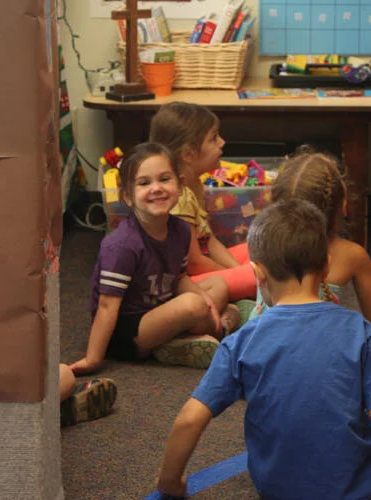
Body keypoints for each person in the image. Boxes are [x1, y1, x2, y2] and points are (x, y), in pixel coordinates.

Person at [157, 199, 371, 500]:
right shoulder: (358, 330)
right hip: (359, 495)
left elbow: (190, 418)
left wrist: (170, 480)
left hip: (276, 493)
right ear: (327, 265)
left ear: (259, 273)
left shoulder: (242, 341)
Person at [61, 143, 241, 386]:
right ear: (127, 196)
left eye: (164, 179)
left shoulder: (180, 230)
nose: (156, 188)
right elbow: (106, 307)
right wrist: (93, 359)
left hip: (161, 305)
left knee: (217, 286)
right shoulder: (122, 245)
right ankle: (209, 331)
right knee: (193, 304)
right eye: (144, 183)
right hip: (130, 331)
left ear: (179, 186)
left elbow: (179, 278)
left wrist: (205, 300)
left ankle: (179, 341)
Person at [259, 148, 371, 365]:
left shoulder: (262, 241)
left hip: (263, 356)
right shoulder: (352, 254)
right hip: (323, 365)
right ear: (342, 206)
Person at [149, 103, 258, 302]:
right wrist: (237, 273)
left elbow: (208, 239)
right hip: (182, 283)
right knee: (256, 277)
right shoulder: (179, 198)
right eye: (214, 138)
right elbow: (194, 262)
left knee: (259, 250)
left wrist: (236, 269)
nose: (222, 142)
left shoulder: (195, 185)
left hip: (200, 267)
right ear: (188, 154)